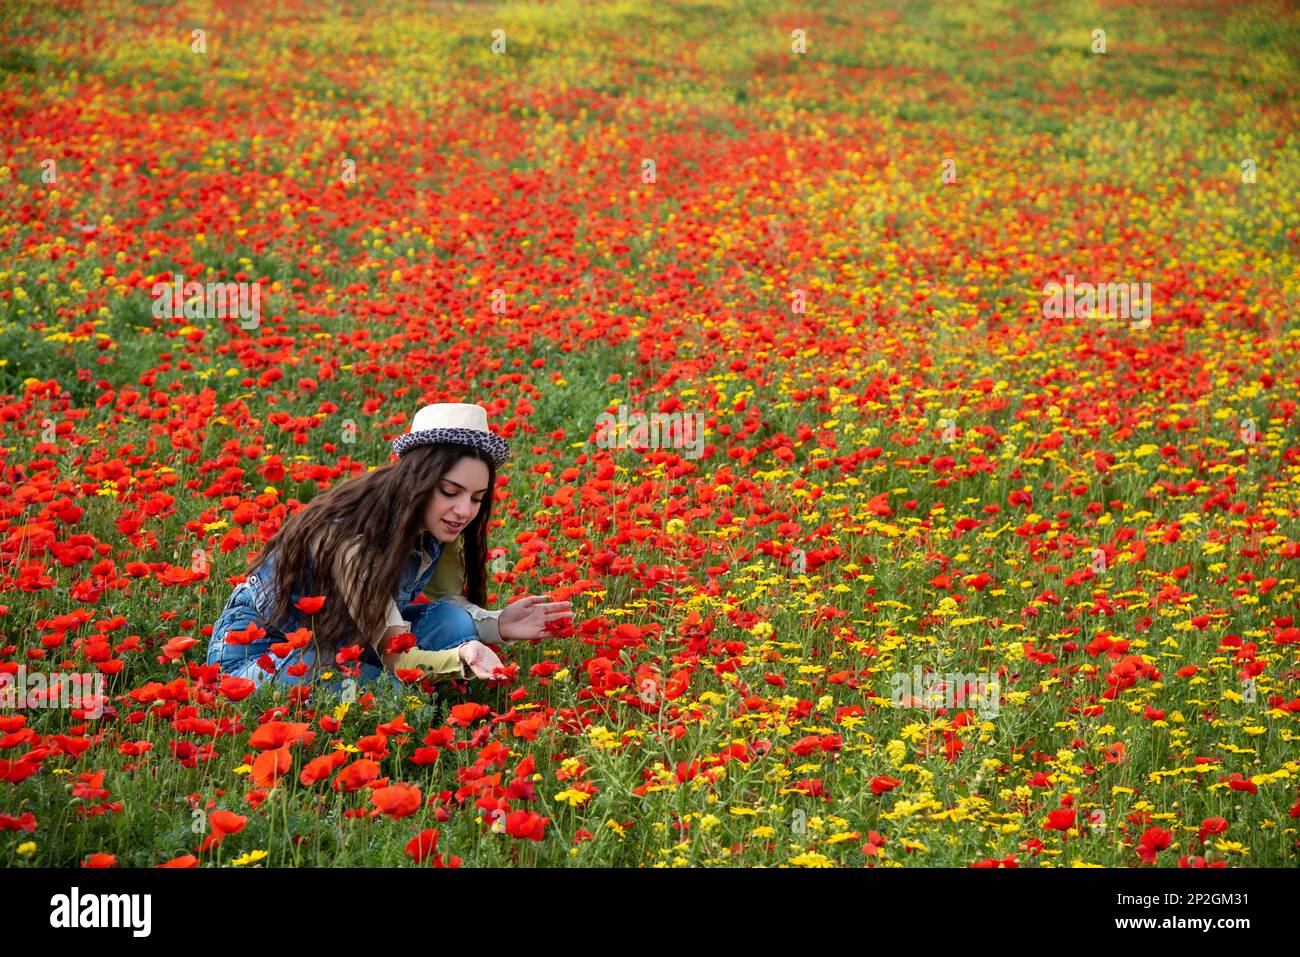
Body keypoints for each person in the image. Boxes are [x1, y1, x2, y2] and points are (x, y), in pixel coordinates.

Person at [203, 403, 573, 693]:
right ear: (418, 480)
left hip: (340, 643)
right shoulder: (352, 540)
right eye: (450, 492)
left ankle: (380, 675)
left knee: (453, 621)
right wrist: (462, 656)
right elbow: (398, 656)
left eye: (477, 498)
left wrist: (498, 624)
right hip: (261, 657)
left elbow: (450, 603)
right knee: (390, 694)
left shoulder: (439, 525)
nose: (464, 511)